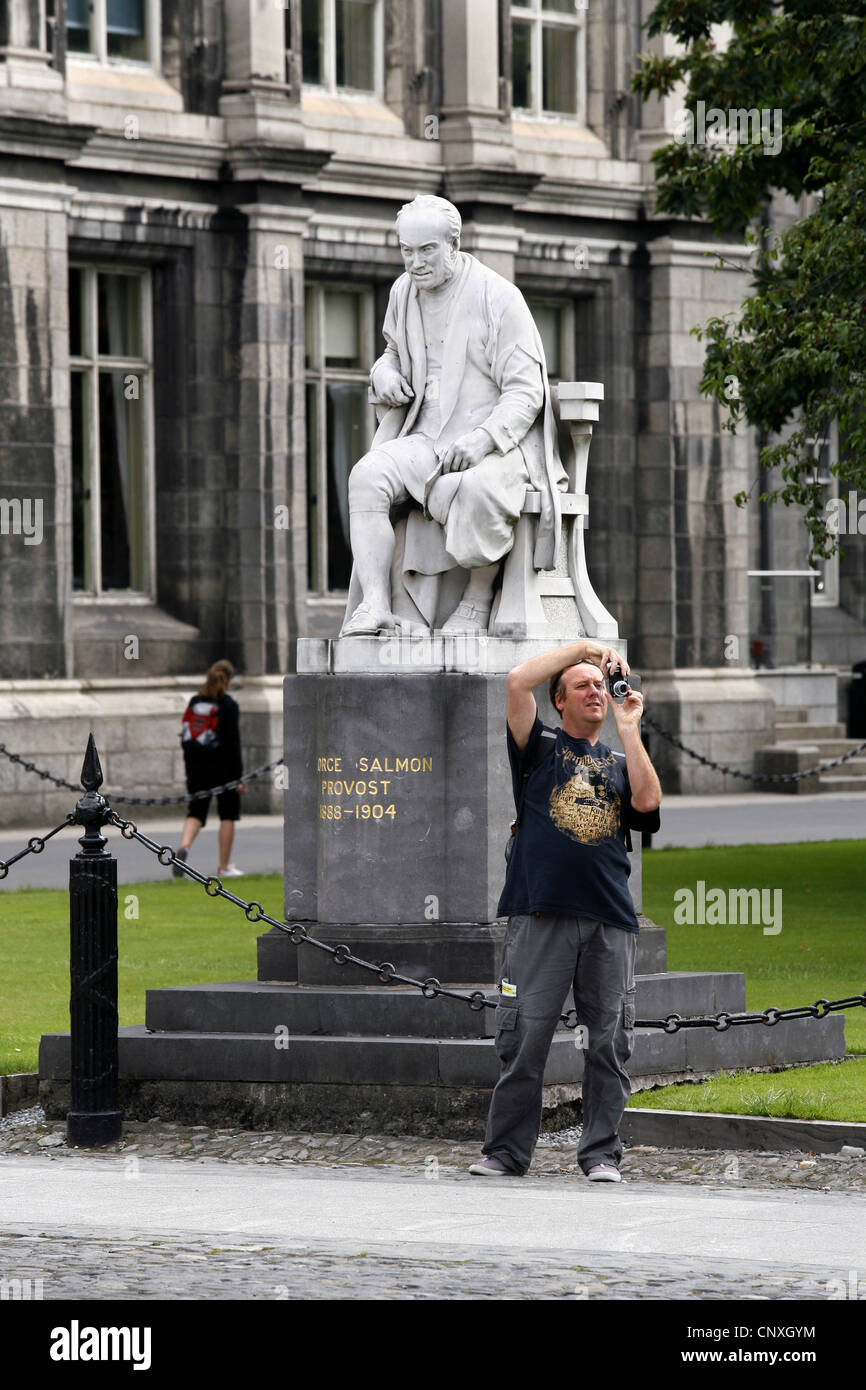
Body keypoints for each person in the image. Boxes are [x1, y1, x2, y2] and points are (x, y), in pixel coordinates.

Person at [469, 638, 662, 1183]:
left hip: (609, 920)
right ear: (559, 701)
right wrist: (582, 649)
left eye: (601, 684)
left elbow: (648, 804)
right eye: (583, 685)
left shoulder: (623, 762)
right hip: (540, 915)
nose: (596, 690)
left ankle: (601, 1154)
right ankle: (505, 1153)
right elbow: (515, 683)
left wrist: (630, 726)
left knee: (609, 1044)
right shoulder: (538, 750)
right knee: (525, 1040)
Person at [340, 193, 567, 636]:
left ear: (453, 244)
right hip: (424, 437)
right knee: (365, 477)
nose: (415, 263)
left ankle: (476, 601)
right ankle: (374, 605)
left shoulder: (499, 297)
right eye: (407, 251)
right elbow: (391, 351)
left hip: (498, 442)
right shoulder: (403, 291)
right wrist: (382, 373)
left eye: (427, 251)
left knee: (476, 487)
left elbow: (526, 390)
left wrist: (482, 439)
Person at [173, 659, 247, 879]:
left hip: (197, 769)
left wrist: (190, 768)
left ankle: (184, 847)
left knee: (195, 812)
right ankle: (223, 866)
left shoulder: (195, 701)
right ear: (229, 679)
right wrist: (239, 778)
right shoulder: (229, 705)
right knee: (227, 815)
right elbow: (234, 744)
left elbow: (186, 737)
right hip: (224, 770)